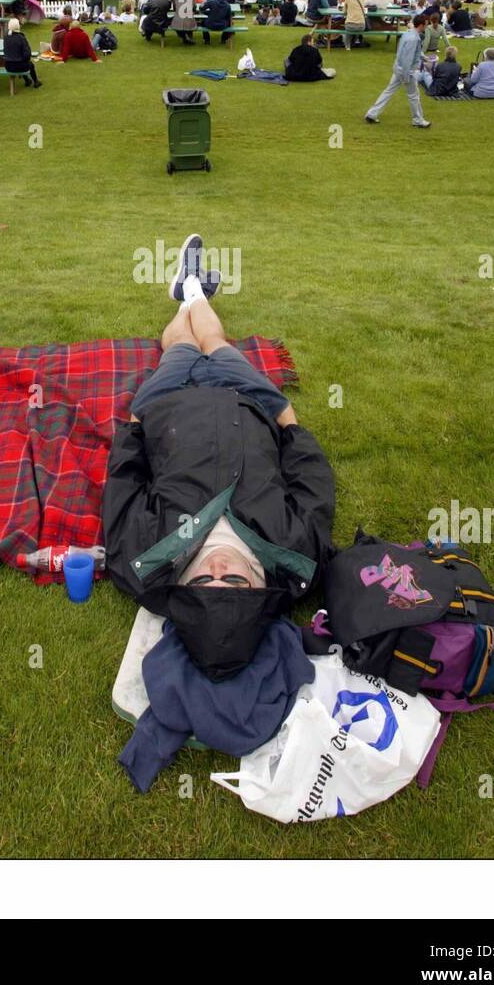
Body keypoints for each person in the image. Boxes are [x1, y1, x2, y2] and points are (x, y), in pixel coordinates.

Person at [103, 233, 335, 679]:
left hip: (168, 403)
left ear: (183, 589)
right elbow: (312, 485)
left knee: (179, 346)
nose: (218, 568)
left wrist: (135, 426)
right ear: (260, 588)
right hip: (248, 404)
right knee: (214, 339)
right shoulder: (297, 555)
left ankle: (187, 293)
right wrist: (288, 420)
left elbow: (123, 485)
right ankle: (191, 289)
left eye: (204, 581)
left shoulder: (141, 558)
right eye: (234, 581)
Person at [364, 16, 431, 128]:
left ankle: (371, 114)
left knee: (388, 91)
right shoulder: (413, 38)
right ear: (421, 25)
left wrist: (425, 58)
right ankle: (418, 120)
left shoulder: (408, 33)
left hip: (398, 68)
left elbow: (411, 52)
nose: (427, 26)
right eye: (426, 24)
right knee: (414, 96)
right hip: (406, 71)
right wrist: (406, 76)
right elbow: (407, 58)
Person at [3, 17, 42, 88]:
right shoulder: (21, 38)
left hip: (8, 66)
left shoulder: (6, 37)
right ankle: (36, 82)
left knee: (21, 61)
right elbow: (27, 54)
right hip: (19, 65)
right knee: (29, 64)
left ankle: (27, 80)